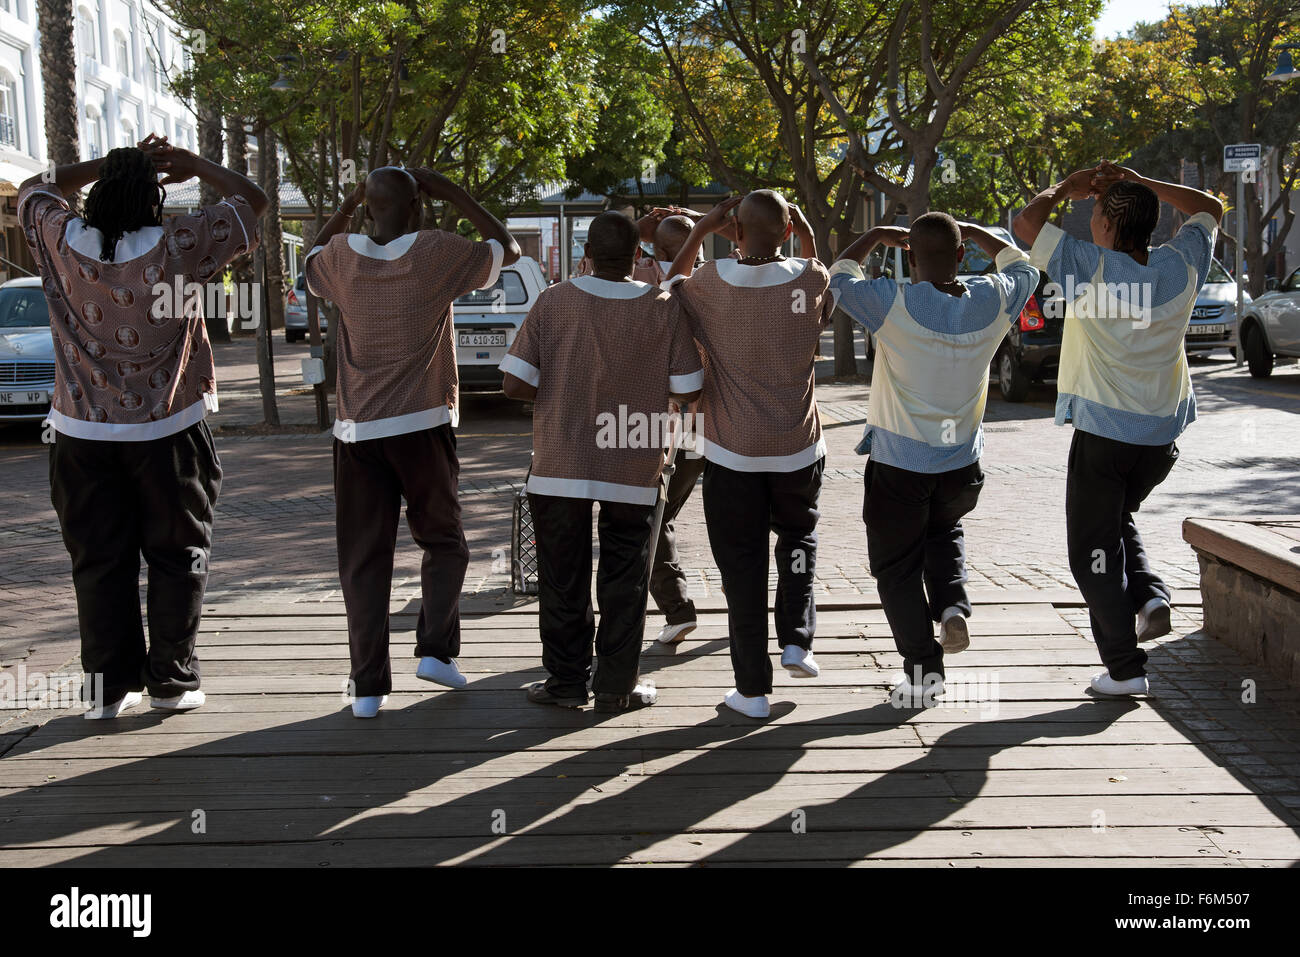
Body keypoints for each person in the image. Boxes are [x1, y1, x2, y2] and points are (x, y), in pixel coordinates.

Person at [17, 135, 267, 719]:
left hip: (80, 434)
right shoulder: (181, 244)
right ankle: (171, 682)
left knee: (99, 561)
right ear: (154, 199)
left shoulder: (60, 239)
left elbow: (34, 188)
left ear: (97, 194)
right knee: (179, 556)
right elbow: (252, 201)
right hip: (170, 433)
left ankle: (107, 692)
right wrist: (191, 164)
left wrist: (108, 164)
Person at [304, 166, 520, 719]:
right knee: (444, 542)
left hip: (357, 432)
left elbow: (309, 258)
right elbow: (509, 248)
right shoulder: (435, 252)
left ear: (367, 208)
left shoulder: (342, 257)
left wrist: (350, 203)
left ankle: (367, 688)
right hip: (422, 425)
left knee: (363, 560)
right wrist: (453, 190)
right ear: (418, 208)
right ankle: (436, 652)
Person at [1013, 161, 1224, 697]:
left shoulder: (1088, 267)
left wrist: (1066, 187)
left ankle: (1125, 670)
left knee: (1092, 552)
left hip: (1105, 437)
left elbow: (1026, 223)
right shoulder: (1181, 264)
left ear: (1106, 225)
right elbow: (1209, 208)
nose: (1090, 222)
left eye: (1095, 215)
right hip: (1160, 439)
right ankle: (1150, 595)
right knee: (1115, 518)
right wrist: (1141, 181)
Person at [829, 214, 1039, 704]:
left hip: (901, 462)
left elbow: (837, 277)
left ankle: (924, 672)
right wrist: (977, 232)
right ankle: (951, 607)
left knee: (896, 569)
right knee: (944, 532)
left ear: (909, 256)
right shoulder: (993, 298)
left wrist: (872, 236)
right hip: (961, 463)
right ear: (962, 254)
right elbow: (1023, 266)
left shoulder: (892, 302)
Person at [500, 211, 703, 712]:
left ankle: (565, 683)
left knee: (561, 577)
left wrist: (566, 392)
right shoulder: (662, 305)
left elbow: (515, 383)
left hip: (560, 462)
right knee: (626, 577)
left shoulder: (554, 300)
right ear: (638, 255)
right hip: (634, 462)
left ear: (586, 254)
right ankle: (616, 687)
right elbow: (688, 387)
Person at [663, 191, 832, 719]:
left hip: (733, 453)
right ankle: (797, 640)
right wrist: (806, 234)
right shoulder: (810, 279)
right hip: (798, 448)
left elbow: (669, 286)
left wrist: (700, 229)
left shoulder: (710, 282)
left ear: (734, 231)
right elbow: (819, 274)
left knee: (743, 569)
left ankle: (752, 691)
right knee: (798, 540)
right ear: (788, 232)